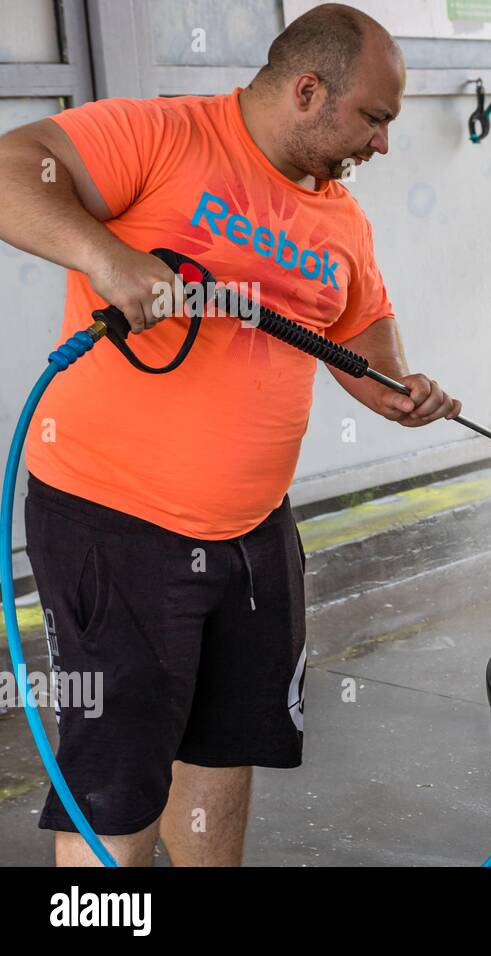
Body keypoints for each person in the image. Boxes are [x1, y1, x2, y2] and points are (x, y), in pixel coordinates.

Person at [0, 2, 459, 866]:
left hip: (252, 532)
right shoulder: (162, 137)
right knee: (115, 779)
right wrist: (107, 258)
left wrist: (398, 391)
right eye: (375, 118)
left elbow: (361, 337)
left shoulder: (340, 218)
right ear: (308, 90)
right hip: (114, 525)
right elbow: (10, 168)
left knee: (219, 752)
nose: (383, 145)